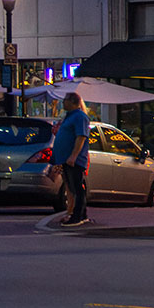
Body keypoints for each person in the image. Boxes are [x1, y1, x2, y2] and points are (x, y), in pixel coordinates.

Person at [53, 92, 91, 226]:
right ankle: (82, 214)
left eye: (65, 100)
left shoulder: (80, 117)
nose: (63, 103)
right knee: (72, 187)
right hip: (65, 158)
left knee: (77, 188)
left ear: (72, 101)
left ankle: (77, 216)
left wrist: (74, 156)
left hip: (73, 159)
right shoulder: (69, 117)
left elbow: (81, 137)